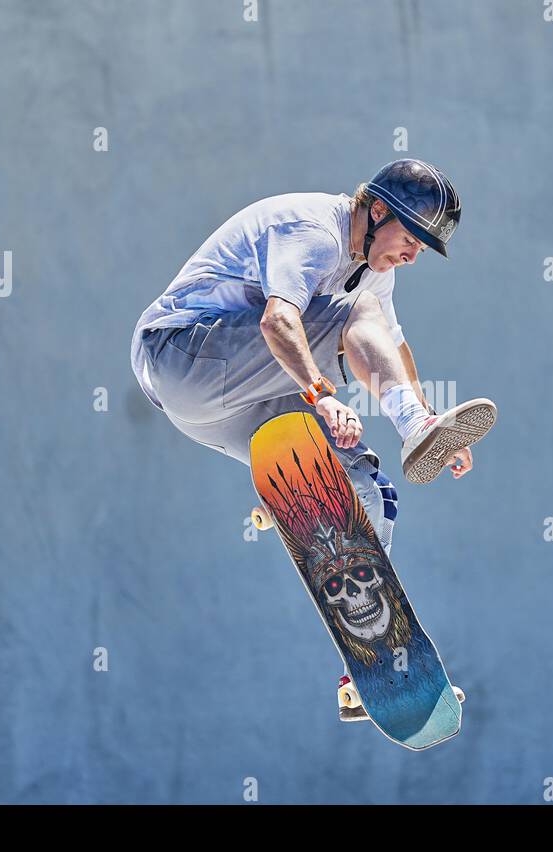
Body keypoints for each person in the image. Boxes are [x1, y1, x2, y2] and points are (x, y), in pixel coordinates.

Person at [129, 159, 495, 716]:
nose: (413, 253)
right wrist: (321, 394)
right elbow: (279, 322)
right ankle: (411, 427)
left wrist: (429, 420)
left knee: (361, 492)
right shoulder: (312, 229)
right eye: (411, 237)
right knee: (357, 313)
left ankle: (368, 672)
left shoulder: (374, 269)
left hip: (219, 406)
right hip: (180, 355)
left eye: (424, 246)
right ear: (376, 211)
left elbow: (390, 351)